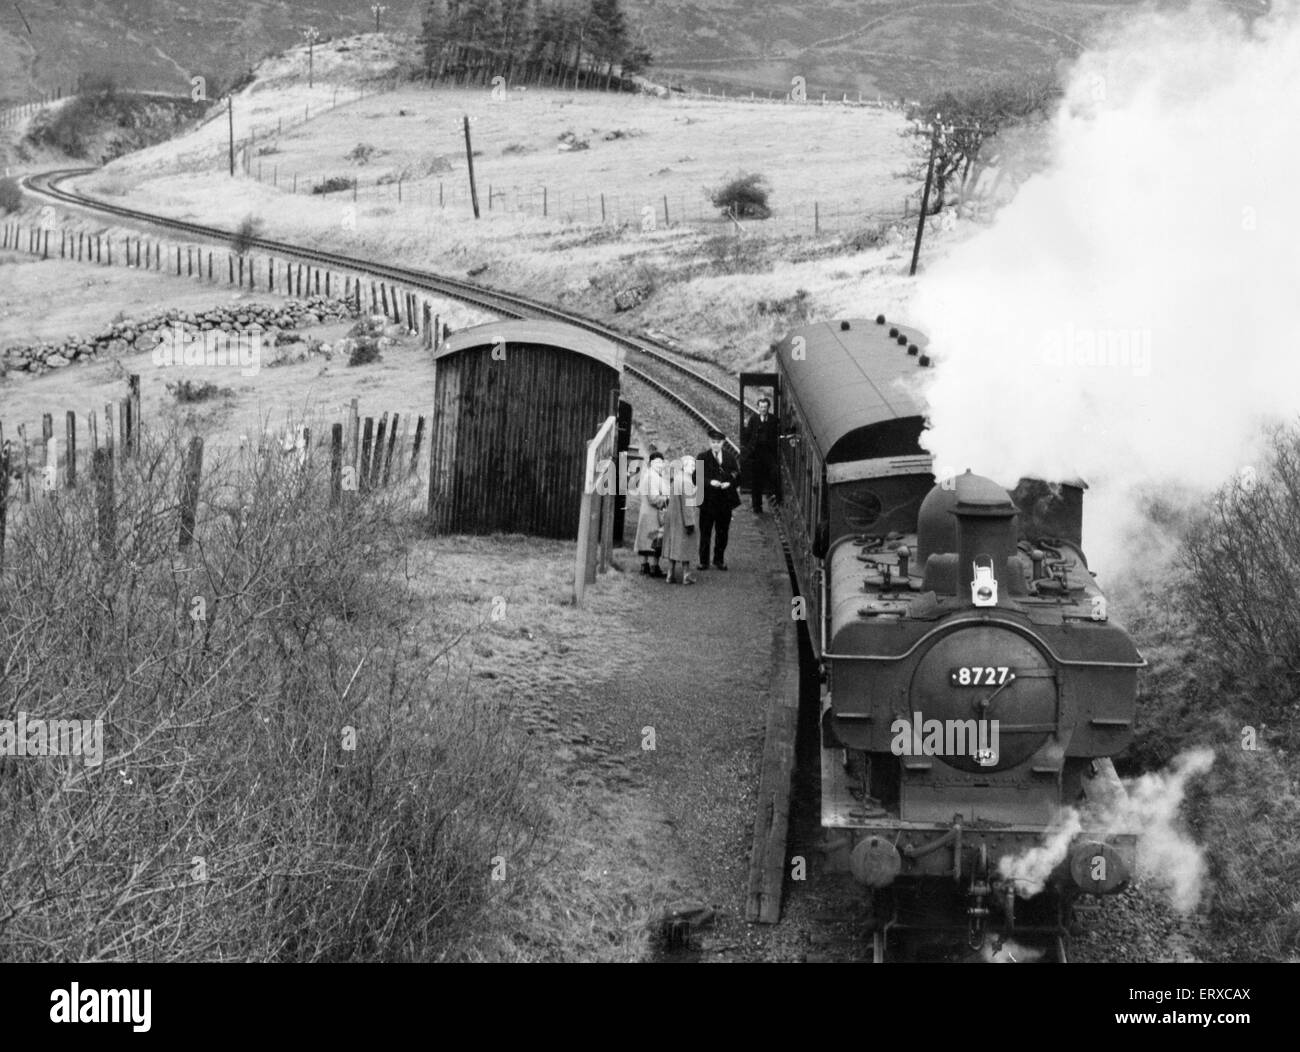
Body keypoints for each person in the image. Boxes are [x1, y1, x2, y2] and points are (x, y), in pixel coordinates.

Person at [696, 427, 740, 571]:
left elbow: (737, 476)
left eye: (718, 442)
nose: (715, 444)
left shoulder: (730, 458)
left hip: (724, 502)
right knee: (705, 532)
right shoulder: (702, 457)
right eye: (713, 442)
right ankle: (703, 561)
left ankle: (718, 560)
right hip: (708, 502)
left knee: (722, 533)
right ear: (709, 442)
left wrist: (730, 483)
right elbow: (696, 477)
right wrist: (709, 482)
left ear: (723, 443)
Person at [661, 456, 697, 584]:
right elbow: (688, 506)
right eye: (690, 465)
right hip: (682, 520)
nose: (693, 468)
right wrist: (690, 523)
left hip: (672, 518)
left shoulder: (676, 479)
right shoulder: (687, 481)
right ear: (683, 466)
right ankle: (686, 575)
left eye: (694, 465)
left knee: (673, 546)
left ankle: (670, 575)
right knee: (685, 546)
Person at [633, 450, 669, 578]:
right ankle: (652, 567)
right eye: (656, 462)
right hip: (652, 513)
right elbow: (653, 498)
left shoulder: (653, 476)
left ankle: (647, 566)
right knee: (653, 540)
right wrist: (666, 499)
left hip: (648, 512)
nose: (659, 464)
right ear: (651, 463)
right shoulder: (652, 476)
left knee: (648, 539)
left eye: (661, 462)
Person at [742, 396, 780, 513]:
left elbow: (778, 433)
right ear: (758, 408)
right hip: (756, 454)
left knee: (775, 473)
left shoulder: (773, 420)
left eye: (765, 407)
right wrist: (749, 449)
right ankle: (757, 506)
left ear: (768, 408)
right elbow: (747, 434)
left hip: (769, 453)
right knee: (756, 481)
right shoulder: (754, 419)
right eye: (761, 407)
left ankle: (776, 498)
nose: (763, 409)